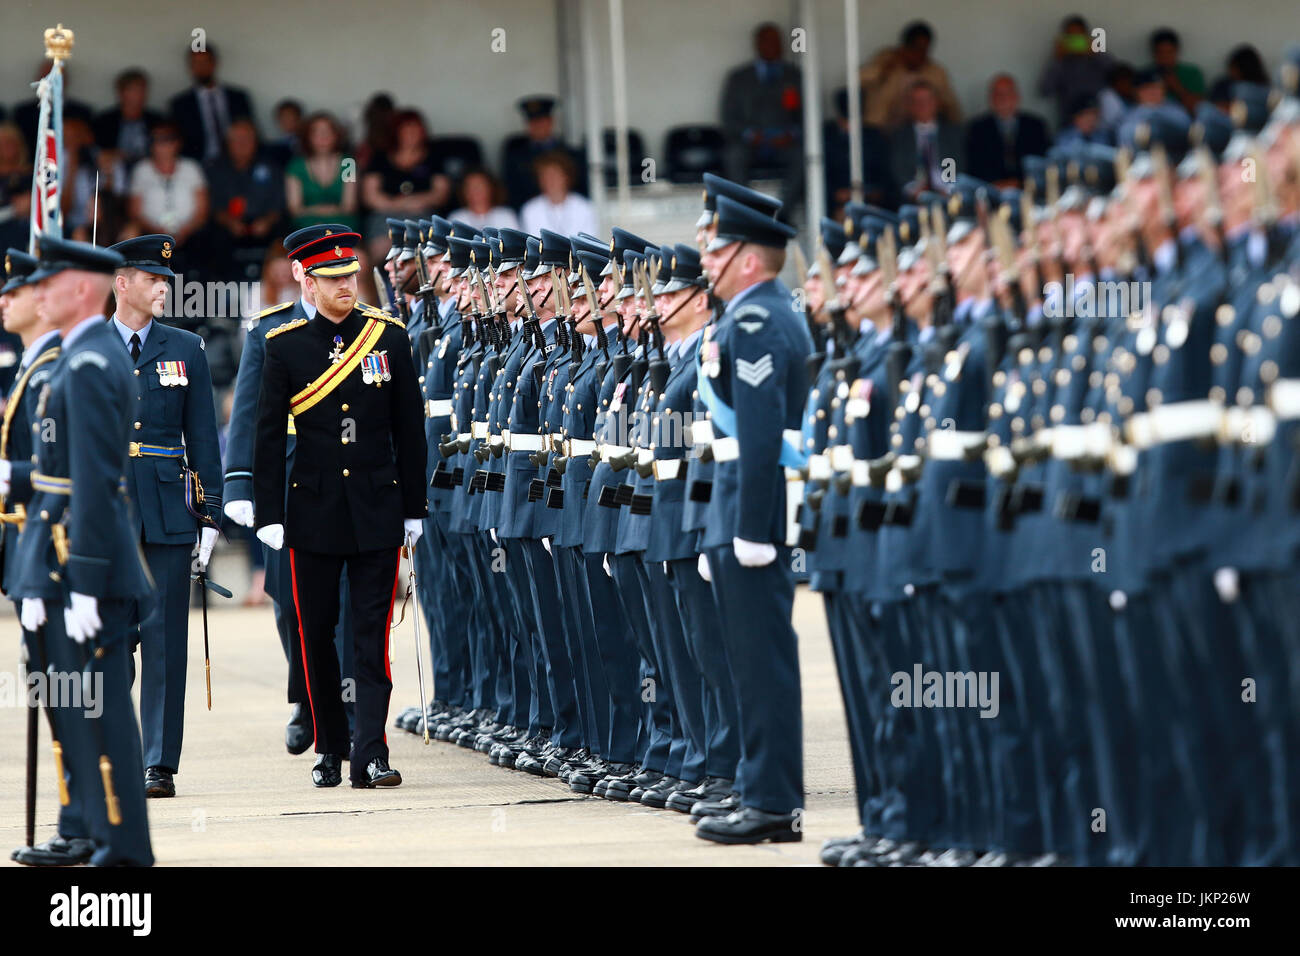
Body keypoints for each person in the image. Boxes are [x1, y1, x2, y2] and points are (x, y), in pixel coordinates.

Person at [252, 227, 427, 789]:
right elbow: (266, 437)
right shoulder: (282, 345)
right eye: (332, 279)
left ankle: (371, 751)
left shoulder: (388, 338)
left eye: (349, 276)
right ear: (307, 278)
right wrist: (268, 514)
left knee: (371, 636)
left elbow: (410, 429)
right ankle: (330, 746)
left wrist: (414, 508)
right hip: (313, 510)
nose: (345, 286)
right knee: (316, 636)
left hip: (376, 506)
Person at [13, 235, 154, 867]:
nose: (37, 293)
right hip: (61, 560)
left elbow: (97, 482)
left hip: (85, 564)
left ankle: (122, 844)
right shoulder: (81, 355)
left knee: (101, 716)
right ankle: (102, 836)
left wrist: (87, 582)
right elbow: (58, 476)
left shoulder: (93, 360)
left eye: (49, 282)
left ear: (80, 289)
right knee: (77, 712)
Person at [691, 193, 809, 845]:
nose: (706, 259)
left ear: (745, 260)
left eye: (715, 249)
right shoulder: (751, 315)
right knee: (748, 662)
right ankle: (757, 787)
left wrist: (751, 531)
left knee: (761, 662)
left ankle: (771, 800)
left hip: (753, 513)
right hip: (736, 504)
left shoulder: (760, 321)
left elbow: (761, 438)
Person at [107, 234, 223, 800]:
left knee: (164, 642)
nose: (163, 288)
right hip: (105, 511)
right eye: (152, 279)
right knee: (109, 639)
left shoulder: (186, 348)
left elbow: (203, 438)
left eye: (167, 280)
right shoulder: (88, 345)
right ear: (121, 282)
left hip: (168, 510)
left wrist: (210, 518)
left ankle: (158, 762)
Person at [1, 249, 83, 866]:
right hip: (33, 547)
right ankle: (76, 820)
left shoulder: (57, 365)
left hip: (57, 551)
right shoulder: (33, 366)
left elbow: (70, 471)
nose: (6, 300)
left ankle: (79, 824)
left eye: (19, 290)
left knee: (70, 694)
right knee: (55, 692)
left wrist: (11, 476)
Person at [719, 22, 804, 189]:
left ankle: (782, 212)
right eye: (767, 41)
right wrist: (751, 135)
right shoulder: (738, 78)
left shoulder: (794, 76)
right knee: (733, 156)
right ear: (757, 44)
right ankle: (746, 209)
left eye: (776, 41)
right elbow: (728, 117)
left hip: (784, 141)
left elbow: (806, 115)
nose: (773, 46)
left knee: (805, 157)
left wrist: (791, 134)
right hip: (750, 142)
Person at [361, 110, 449, 263]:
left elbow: (441, 194)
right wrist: (398, 204)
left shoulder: (434, 156)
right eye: (406, 130)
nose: (411, 134)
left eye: (415, 130)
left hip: (423, 214)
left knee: (425, 252)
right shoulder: (380, 157)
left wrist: (416, 201)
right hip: (385, 216)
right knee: (381, 248)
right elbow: (370, 195)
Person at [205, 118, 285, 280]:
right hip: (230, 224)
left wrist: (267, 221)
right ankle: (223, 290)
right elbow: (213, 207)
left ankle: (273, 289)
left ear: (256, 141)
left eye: (247, 139)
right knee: (211, 237)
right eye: (237, 139)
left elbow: (279, 204)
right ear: (228, 142)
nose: (242, 144)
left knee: (283, 232)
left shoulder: (270, 166)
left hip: (264, 223)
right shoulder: (216, 168)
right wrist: (230, 222)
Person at [125, 122, 208, 274]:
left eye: (168, 140)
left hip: (189, 234)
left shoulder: (191, 168)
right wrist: (158, 232)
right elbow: (134, 212)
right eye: (157, 140)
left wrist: (185, 231)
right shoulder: (142, 170)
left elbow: (202, 211)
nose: (163, 145)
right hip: (150, 233)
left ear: (178, 143)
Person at [860, 20, 962, 129]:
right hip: (881, 130)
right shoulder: (886, 61)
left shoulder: (936, 72)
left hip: (919, 133)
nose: (921, 55)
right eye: (916, 49)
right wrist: (885, 68)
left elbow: (953, 109)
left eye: (925, 50)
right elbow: (858, 80)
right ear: (904, 48)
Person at [168, 44, 255, 162]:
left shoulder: (238, 98)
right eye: (196, 63)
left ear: (214, 63)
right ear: (190, 67)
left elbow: (251, 133)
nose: (201, 67)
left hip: (236, 163)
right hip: (199, 164)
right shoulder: (180, 105)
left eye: (205, 62)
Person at [500, 95, 587, 210]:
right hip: (528, 215)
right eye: (533, 122)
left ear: (551, 121)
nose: (538, 126)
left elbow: (582, 190)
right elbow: (512, 193)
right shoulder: (515, 157)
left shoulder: (572, 155)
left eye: (541, 121)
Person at [965, 74, 1050, 189]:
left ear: (1017, 97)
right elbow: (973, 166)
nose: (1003, 98)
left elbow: (1043, 163)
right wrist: (995, 184)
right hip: (990, 191)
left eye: (1008, 93)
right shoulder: (977, 129)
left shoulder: (1035, 126)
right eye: (998, 94)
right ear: (990, 99)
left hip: (1030, 189)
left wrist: (1020, 183)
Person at [888, 80, 965, 203]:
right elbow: (899, 170)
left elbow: (956, 162)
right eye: (917, 101)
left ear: (937, 103)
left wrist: (947, 188)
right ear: (910, 106)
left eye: (927, 100)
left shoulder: (952, 133)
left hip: (947, 195)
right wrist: (914, 190)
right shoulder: (900, 136)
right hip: (913, 198)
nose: (923, 105)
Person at [286, 112, 359, 233]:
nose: (323, 137)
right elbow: (294, 209)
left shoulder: (348, 163)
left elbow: (349, 206)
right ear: (307, 137)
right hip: (306, 225)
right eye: (316, 132)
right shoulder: (296, 166)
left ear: (336, 135)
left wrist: (314, 211)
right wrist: (323, 212)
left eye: (328, 132)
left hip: (342, 224)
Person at [1036, 14, 1114, 126]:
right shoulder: (1061, 63)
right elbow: (1044, 90)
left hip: (1101, 123)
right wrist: (1057, 59)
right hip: (1070, 125)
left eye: (1079, 37)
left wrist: (1096, 52)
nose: (1076, 42)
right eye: (1071, 38)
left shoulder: (1098, 57)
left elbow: (1119, 77)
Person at [93, 68, 164, 171]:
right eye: (134, 90)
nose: (140, 95)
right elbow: (97, 152)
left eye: (142, 90)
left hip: (149, 171)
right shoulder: (104, 121)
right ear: (121, 93)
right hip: (114, 172)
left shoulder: (157, 120)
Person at [519, 151, 597, 236]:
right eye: (544, 176)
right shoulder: (530, 210)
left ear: (566, 177)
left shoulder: (584, 207)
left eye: (554, 175)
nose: (550, 181)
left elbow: (588, 243)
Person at [1146, 27, 1205, 114]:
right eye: (1160, 53)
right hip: (1153, 116)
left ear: (1176, 51)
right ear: (1154, 53)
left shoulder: (1191, 73)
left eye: (1169, 52)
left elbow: (1198, 107)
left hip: (1181, 116)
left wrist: (1177, 87)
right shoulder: (1146, 73)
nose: (1165, 57)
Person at [448, 167, 519, 231]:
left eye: (480, 186)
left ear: (491, 188)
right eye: (470, 187)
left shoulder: (506, 215)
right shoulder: (456, 218)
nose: (476, 191)